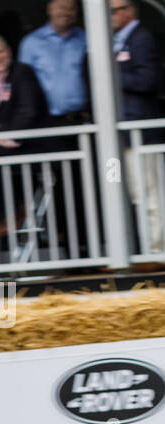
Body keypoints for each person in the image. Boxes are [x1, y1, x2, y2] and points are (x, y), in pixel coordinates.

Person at [0, 34, 50, 234]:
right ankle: (7, 214)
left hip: (32, 143)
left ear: (8, 52)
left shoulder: (21, 72)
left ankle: (13, 213)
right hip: (10, 144)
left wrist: (10, 137)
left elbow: (28, 110)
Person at [112, 1, 164, 254]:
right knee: (136, 194)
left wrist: (109, 73)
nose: (110, 16)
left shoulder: (141, 38)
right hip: (124, 134)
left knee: (151, 193)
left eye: (113, 10)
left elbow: (148, 80)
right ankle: (149, 248)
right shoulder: (118, 39)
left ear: (129, 10)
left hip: (141, 130)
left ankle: (157, 250)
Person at [18, 0, 88, 124]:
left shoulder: (84, 38)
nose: (66, 12)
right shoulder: (31, 42)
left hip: (83, 117)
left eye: (71, 9)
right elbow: (23, 83)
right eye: (61, 7)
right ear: (49, 9)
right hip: (47, 121)